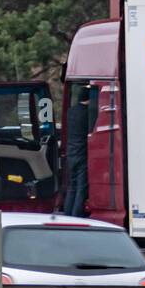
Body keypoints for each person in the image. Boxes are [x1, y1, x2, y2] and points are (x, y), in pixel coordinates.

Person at [61, 86, 91, 217]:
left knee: (72, 187)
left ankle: (67, 216)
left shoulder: (71, 112)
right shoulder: (88, 113)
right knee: (81, 188)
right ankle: (77, 217)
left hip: (71, 153)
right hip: (82, 154)